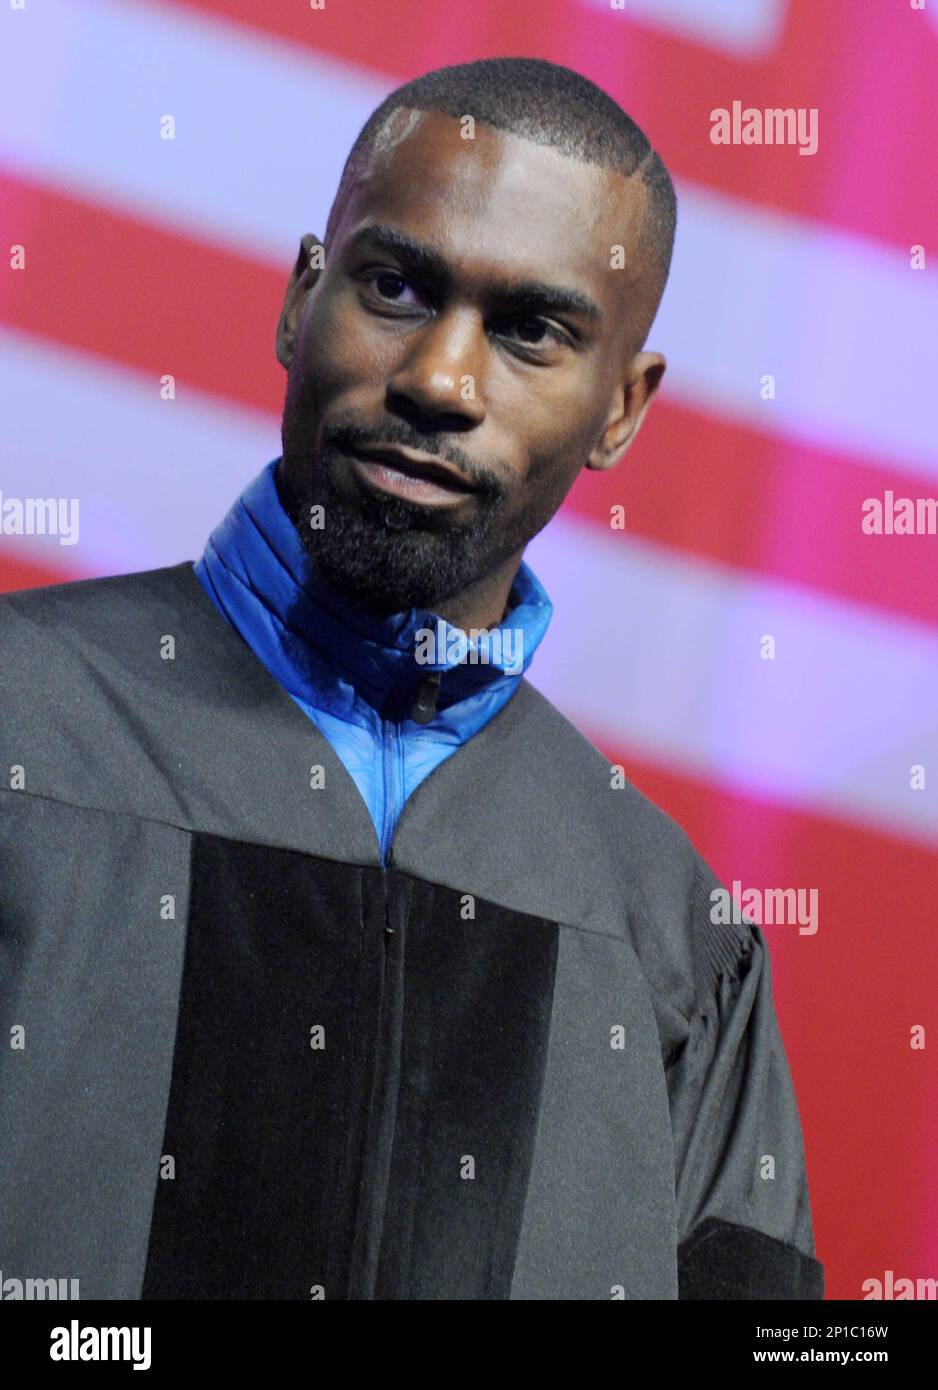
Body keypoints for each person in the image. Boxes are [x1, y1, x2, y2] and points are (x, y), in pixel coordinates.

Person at [0, 56, 823, 1301]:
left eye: (530, 330)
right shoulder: (26, 725)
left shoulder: (672, 938)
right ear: (297, 300)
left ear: (621, 411)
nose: (440, 381)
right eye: (392, 285)